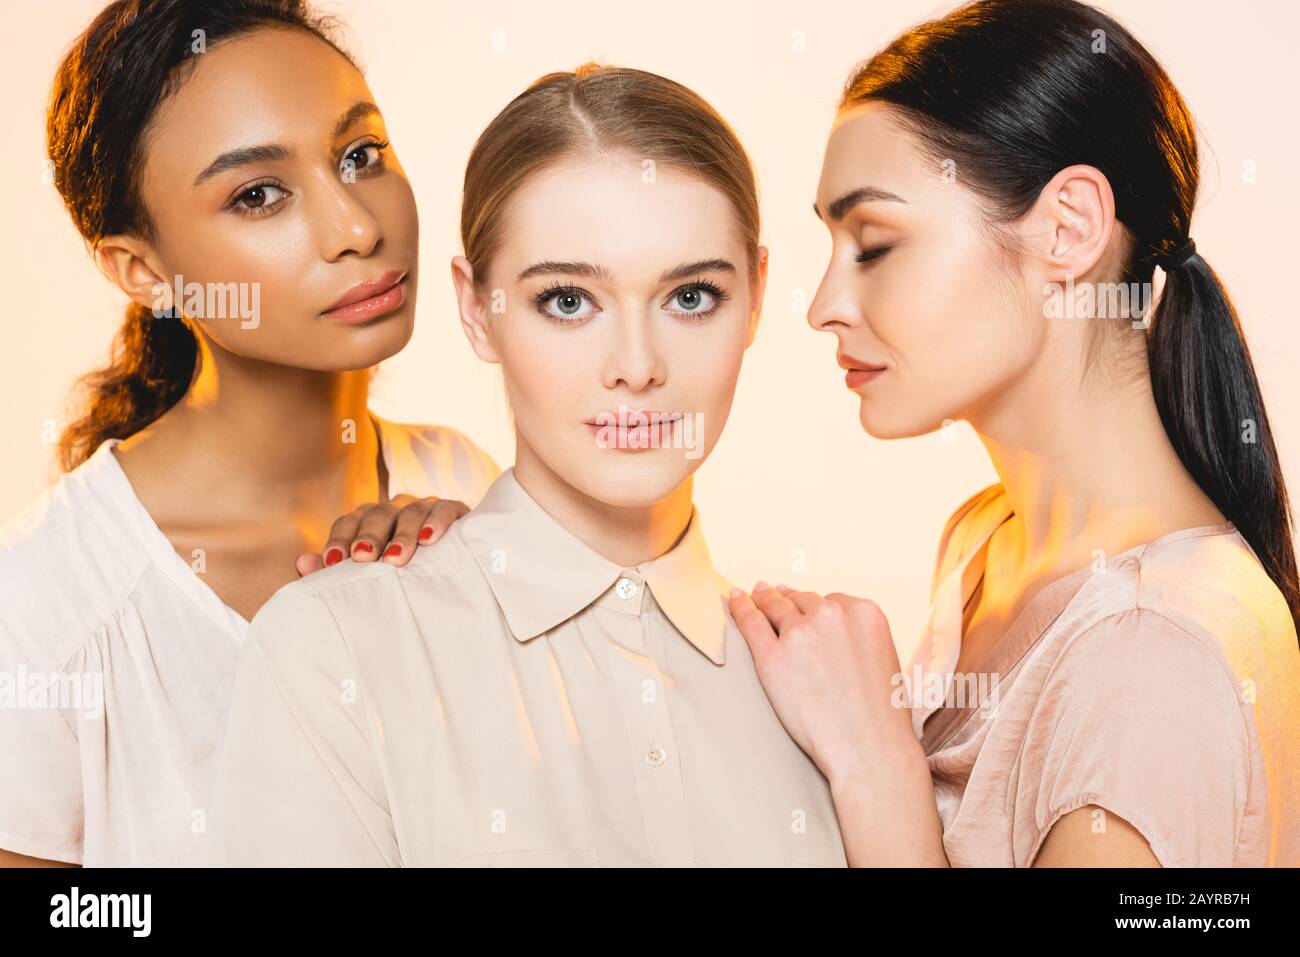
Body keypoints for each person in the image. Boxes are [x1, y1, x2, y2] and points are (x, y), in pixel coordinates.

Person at [208, 64, 847, 867]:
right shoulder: (336, 647)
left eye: (690, 297)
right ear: (478, 310)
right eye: (569, 301)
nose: (638, 366)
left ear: (755, 295)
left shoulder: (827, 686)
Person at [729, 0, 1300, 867]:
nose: (823, 306)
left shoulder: (1152, 654)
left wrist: (876, 764)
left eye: (874, 243)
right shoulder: (984, 542)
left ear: (1067, 228)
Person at [0, 0, 496, 867]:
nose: (357, 227)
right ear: (143, 270)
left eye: (360, 155)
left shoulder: (468, 489)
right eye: (258, 194)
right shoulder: (42, 604)